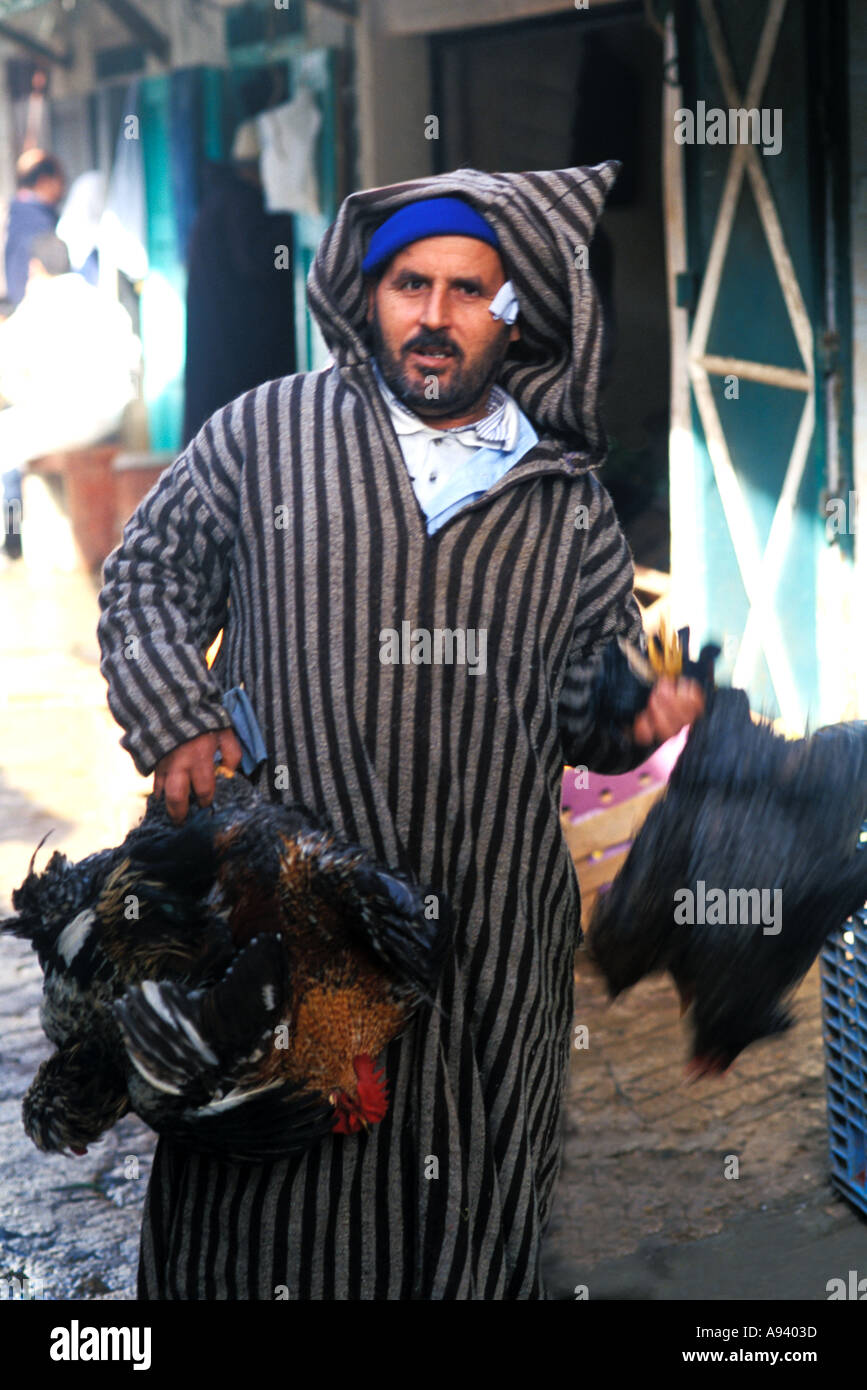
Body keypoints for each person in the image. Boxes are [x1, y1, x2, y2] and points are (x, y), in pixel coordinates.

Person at [97, 162, 704, 1300]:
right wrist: (175, 718)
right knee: (267, 1201)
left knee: (467, 1212)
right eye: (409, 284)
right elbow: (148, 579)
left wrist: (635, 709)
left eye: (468, 290)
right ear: (365, 298)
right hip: (290, 916)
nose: (434, 316)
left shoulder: (562, 498)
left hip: (491, 940)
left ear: (514, 308)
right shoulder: (266, 435)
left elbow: (587, 702)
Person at [0, 233, 139, 559]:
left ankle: (12, 539)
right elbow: (133, 357)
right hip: (113, 417)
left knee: (5, 441)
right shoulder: (102, 300)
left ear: (35, 268)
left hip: (62, 422)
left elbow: (7, 375)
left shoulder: (34, 307)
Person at [181, 119, 295, 447]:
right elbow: (259, 260)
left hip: (220, 341)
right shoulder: (239, 202)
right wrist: (290, 226)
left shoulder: (221, 198)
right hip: (231, 346)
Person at [3, 149, 66, 308]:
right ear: (43, 181)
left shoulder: (16, 214)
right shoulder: (38, 220)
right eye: (60, 181)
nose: (62, 188)